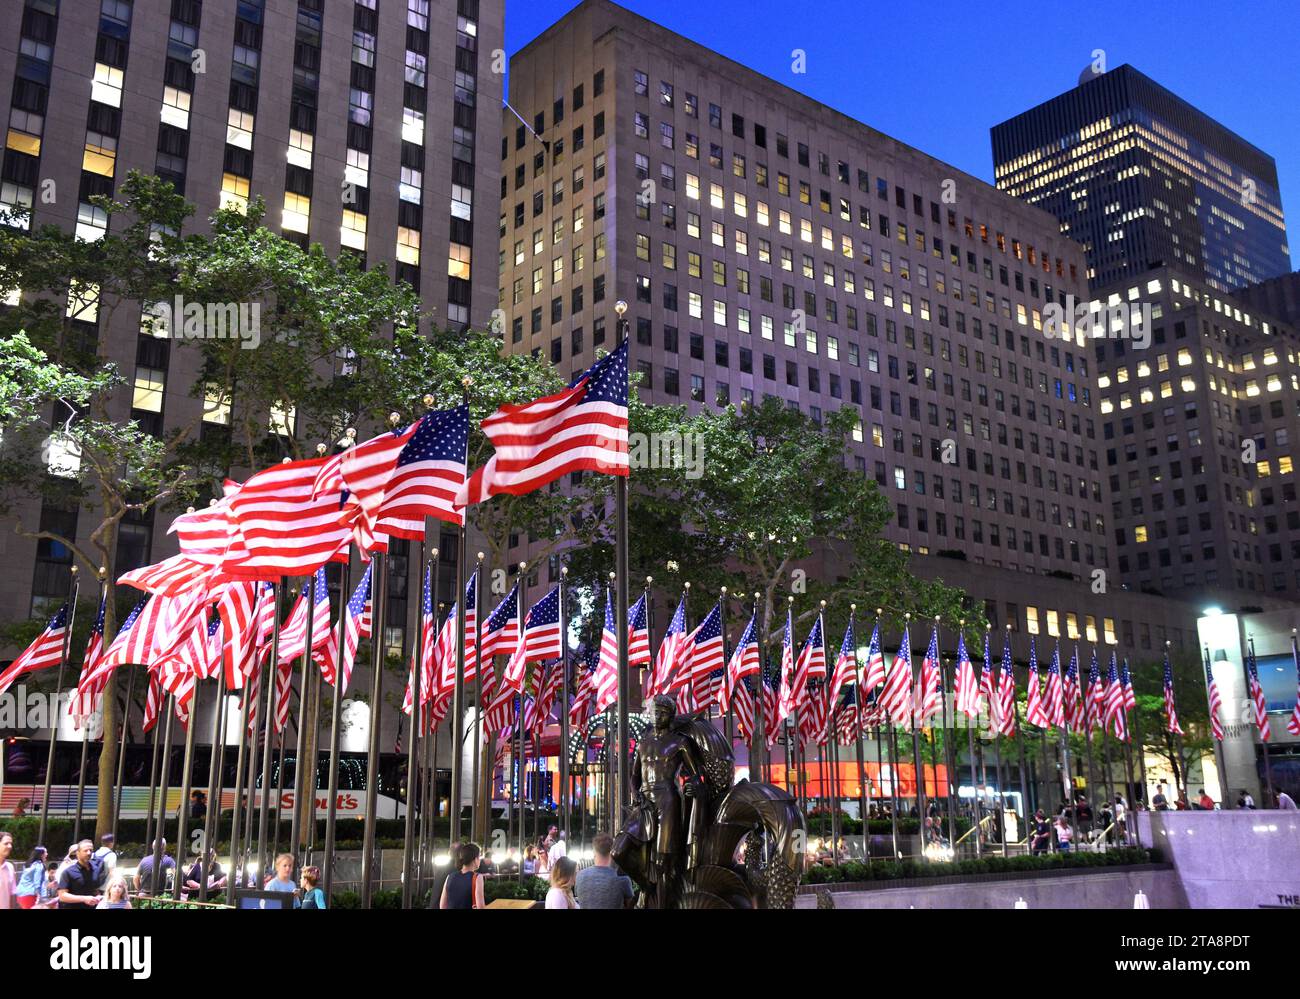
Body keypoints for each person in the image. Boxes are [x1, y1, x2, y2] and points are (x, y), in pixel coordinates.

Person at [574, 832, 634, 910]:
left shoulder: (580, 876)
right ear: (611, 852)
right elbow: (630, 905)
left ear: (594, 852)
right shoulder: (623, 880)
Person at [57, 839, 105, 910]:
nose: (89, 853)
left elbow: (95, 889)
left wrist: (98, 897)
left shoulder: (96, 869)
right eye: (85, 850)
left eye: (91, 850)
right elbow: (62, 896)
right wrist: (84, 899)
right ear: (78, 853)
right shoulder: (68, 872)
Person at [439, 842, 485, 910]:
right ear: (475, 859)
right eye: (479, 857)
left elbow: (442, 906)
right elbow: (480, 907)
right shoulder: (477, 877)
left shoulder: (450, 876)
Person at [0, 831, 14, 910]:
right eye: (6, 843)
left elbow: (11, 894)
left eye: (11, 843)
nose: (10, 846)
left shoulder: (10, 867)